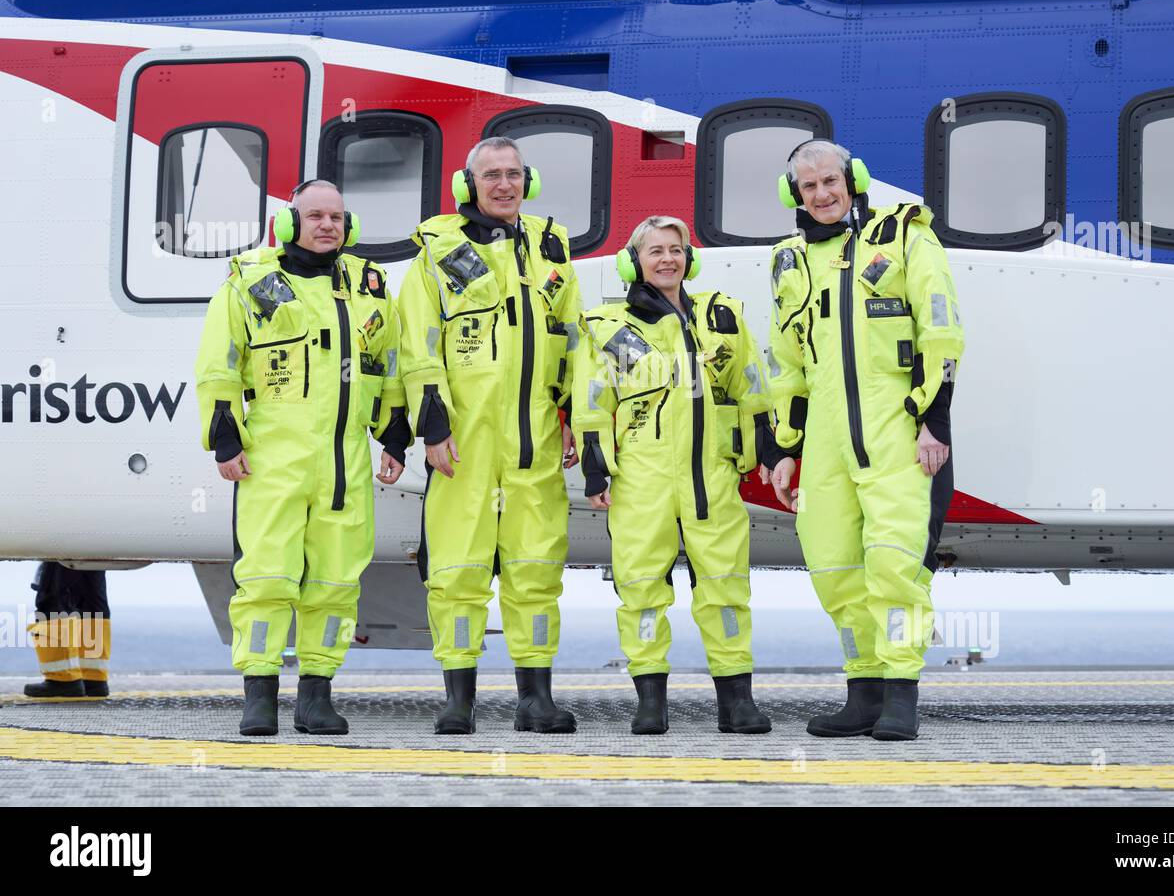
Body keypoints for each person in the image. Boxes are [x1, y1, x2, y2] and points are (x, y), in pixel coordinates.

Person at [762, 140, 964, 741]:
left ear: (853, 178)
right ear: (794, 195)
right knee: (832, 564)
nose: (823, 194)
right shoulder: (788, 260)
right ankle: (863, 690)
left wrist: (936, 418)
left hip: (895, 423)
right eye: (809, 187)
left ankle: (902, 693)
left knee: (893, 562)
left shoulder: (904, 235)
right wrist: (783, 446)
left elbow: (942, 326)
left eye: (831, 180)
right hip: (823, 434)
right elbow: (785, 361)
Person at [195, 179, 410, 737]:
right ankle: (259, 694)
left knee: (337, 581)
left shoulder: (369, 286)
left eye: (336, 217)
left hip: (346, 460)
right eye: (314, 215)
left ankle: (316, 697)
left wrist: (394, 438)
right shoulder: (251, 281)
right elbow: (220, 364)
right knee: (267, 575)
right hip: (273, 456)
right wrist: (225, 437)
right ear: (290, 223)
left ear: (349, 225)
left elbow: (387, 367)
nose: (326, 226)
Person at [398, 137, 583, 735]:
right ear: (466, 185)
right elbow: (419, 345)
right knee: (458, 568)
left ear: (526, 183)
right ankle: (459, 699)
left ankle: (536, 699)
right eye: (491, 175)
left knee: (536, 567)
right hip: (464, 439)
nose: (503, 185)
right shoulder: (437, 251)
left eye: (513, 175)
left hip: (534, 437)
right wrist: (431, 423)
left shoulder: (550, 249)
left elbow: (573, 341)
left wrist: (577, 416)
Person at [573, 216, 773, 735]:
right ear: (633, 261)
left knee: (726, 586)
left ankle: (737, 703)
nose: (667, 259)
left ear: (690, 258)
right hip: (643, 478)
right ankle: (650, 702)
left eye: (676, 250)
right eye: (655, 250)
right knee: (640, 586)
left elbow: (752, 388)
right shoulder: (609, 326)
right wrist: (598, 473)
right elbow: (592, 404)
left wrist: (767, 453)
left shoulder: (721, 316)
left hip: (711, 476)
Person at [24, 561, 110, 698]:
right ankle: (92, 678)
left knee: (53, 594)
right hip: (97, 542)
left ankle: (62, 679)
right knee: (89, 595)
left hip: (67, 542)